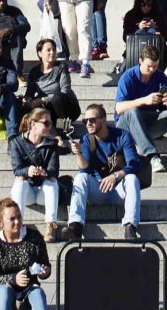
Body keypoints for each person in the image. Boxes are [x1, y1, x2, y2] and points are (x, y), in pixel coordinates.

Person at [61, 102, 143, 239]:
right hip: (98, 190)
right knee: (80, 178)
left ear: (103, 120)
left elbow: (134, 164)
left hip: (119, 190)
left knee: (132, 178)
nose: (88, 124)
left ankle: (130, 226)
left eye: (92, 120)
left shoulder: (122, 135)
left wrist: (116, 176)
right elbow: (84, 170)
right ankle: (75, 225)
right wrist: (79, 154)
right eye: (85, 121)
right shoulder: (86, 140)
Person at [114, 42, 167, 171]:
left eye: (155, 66)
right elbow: (119, 108)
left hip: (148, 122)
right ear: (140, 61)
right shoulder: (127, 77)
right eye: (148, 66)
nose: (151, 70)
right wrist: (144, 100)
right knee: (133, 112)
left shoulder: (160, 76)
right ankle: (152, 157)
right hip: (125, 126)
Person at [9, 106, 65, 233]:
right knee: (20, 181)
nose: (49, 126)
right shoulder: (17, 143)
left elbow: (54, 171)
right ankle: (18, 226)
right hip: (27, 191)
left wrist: (44, 172)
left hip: (43, 192)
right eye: (46, 123)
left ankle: (50, 225)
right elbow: (17, 169)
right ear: (33, 123)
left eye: (50, 123)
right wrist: (28, 171)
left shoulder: (52, 144)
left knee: (52, 182)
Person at [23, 36, 82, 133]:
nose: (52, 52)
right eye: (48, 50)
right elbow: (29, 92)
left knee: (57, 98)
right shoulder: (34, 72)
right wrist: (27, 100)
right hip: (48, 110)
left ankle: (63, 129)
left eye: (54, 50)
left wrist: (42, 100)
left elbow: (65, 92)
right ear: (40, 53)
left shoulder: (61, 67)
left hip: (67, 108)